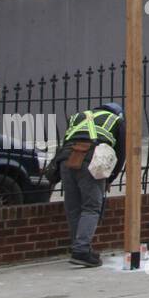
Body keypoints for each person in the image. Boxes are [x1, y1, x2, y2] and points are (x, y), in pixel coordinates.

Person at [58, 101, 126, 267]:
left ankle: (78, 248)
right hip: (92, 158)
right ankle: (81, 250)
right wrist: (110, 178)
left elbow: (66, 140)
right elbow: (120, 154)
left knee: (73, 206)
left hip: (67, 159)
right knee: (92, 207)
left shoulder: (78, 116)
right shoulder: (116, 120)